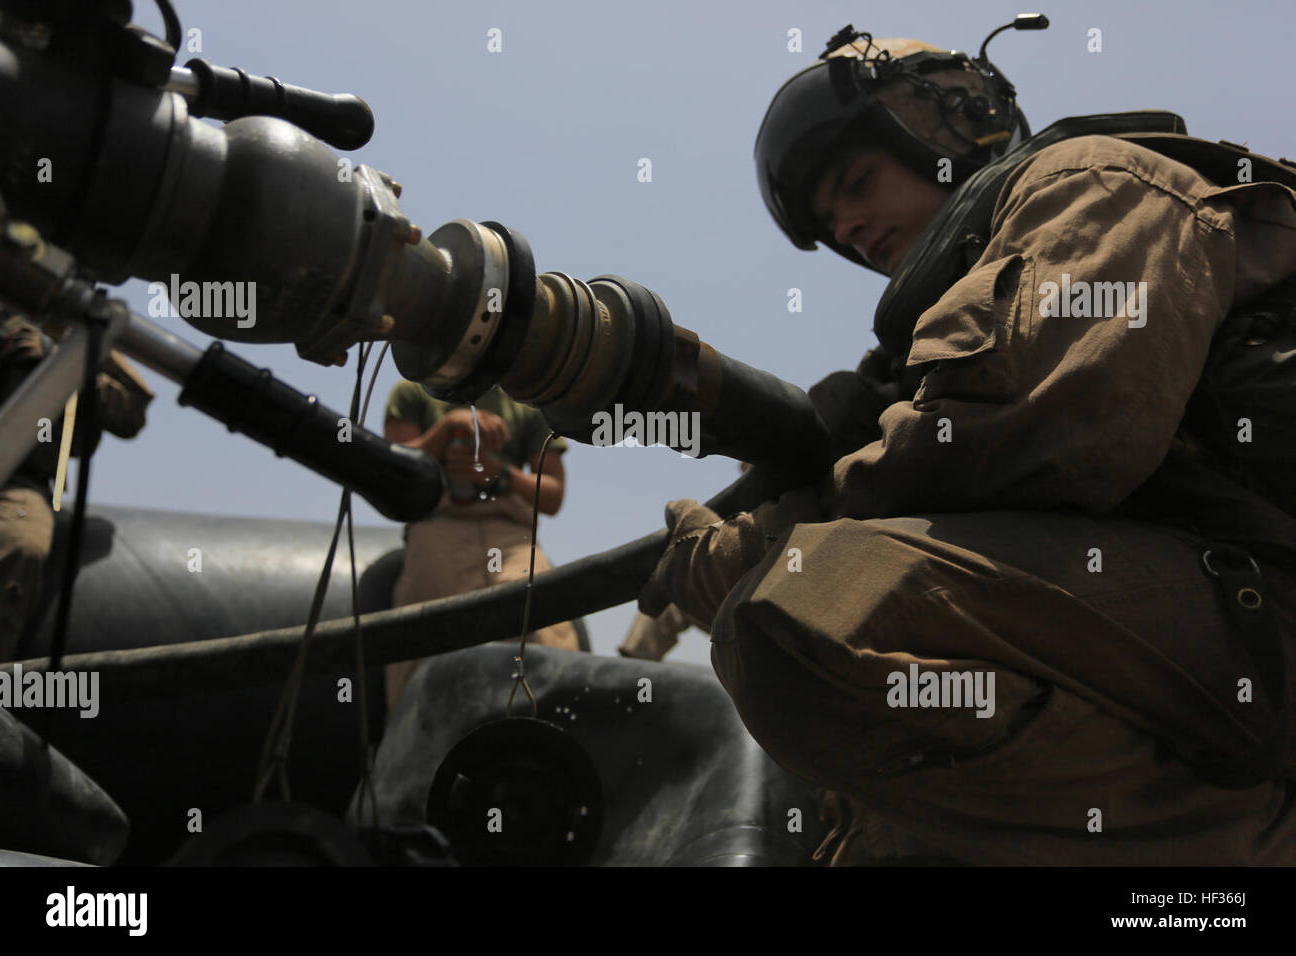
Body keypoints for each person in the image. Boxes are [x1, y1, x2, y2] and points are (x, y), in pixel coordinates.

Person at [638, 28, 1296, 864]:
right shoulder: (919, 346)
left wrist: (762, 547)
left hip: (1263, 618)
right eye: (829, 223)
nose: (847, 226)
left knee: (814, 611)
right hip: (1201, 638)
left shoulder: (1094, 181)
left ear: (957, 118)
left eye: (855, 182)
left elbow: (1042, 428)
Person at [383, 380, 581, 712]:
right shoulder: (412, 391)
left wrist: (498, 474)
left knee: (543, 627)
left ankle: (554, 737)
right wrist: (446, 430)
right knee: (425, 628)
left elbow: (552, 494)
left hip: (510, 534)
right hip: (439, 525)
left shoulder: (532, 393)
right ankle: (410, 742)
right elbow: (392, 472)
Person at [0, 304, 153, 661]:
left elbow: (131, 414)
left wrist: (61, 368)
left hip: (16, 479)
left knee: (20, 542)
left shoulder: (79, 321)